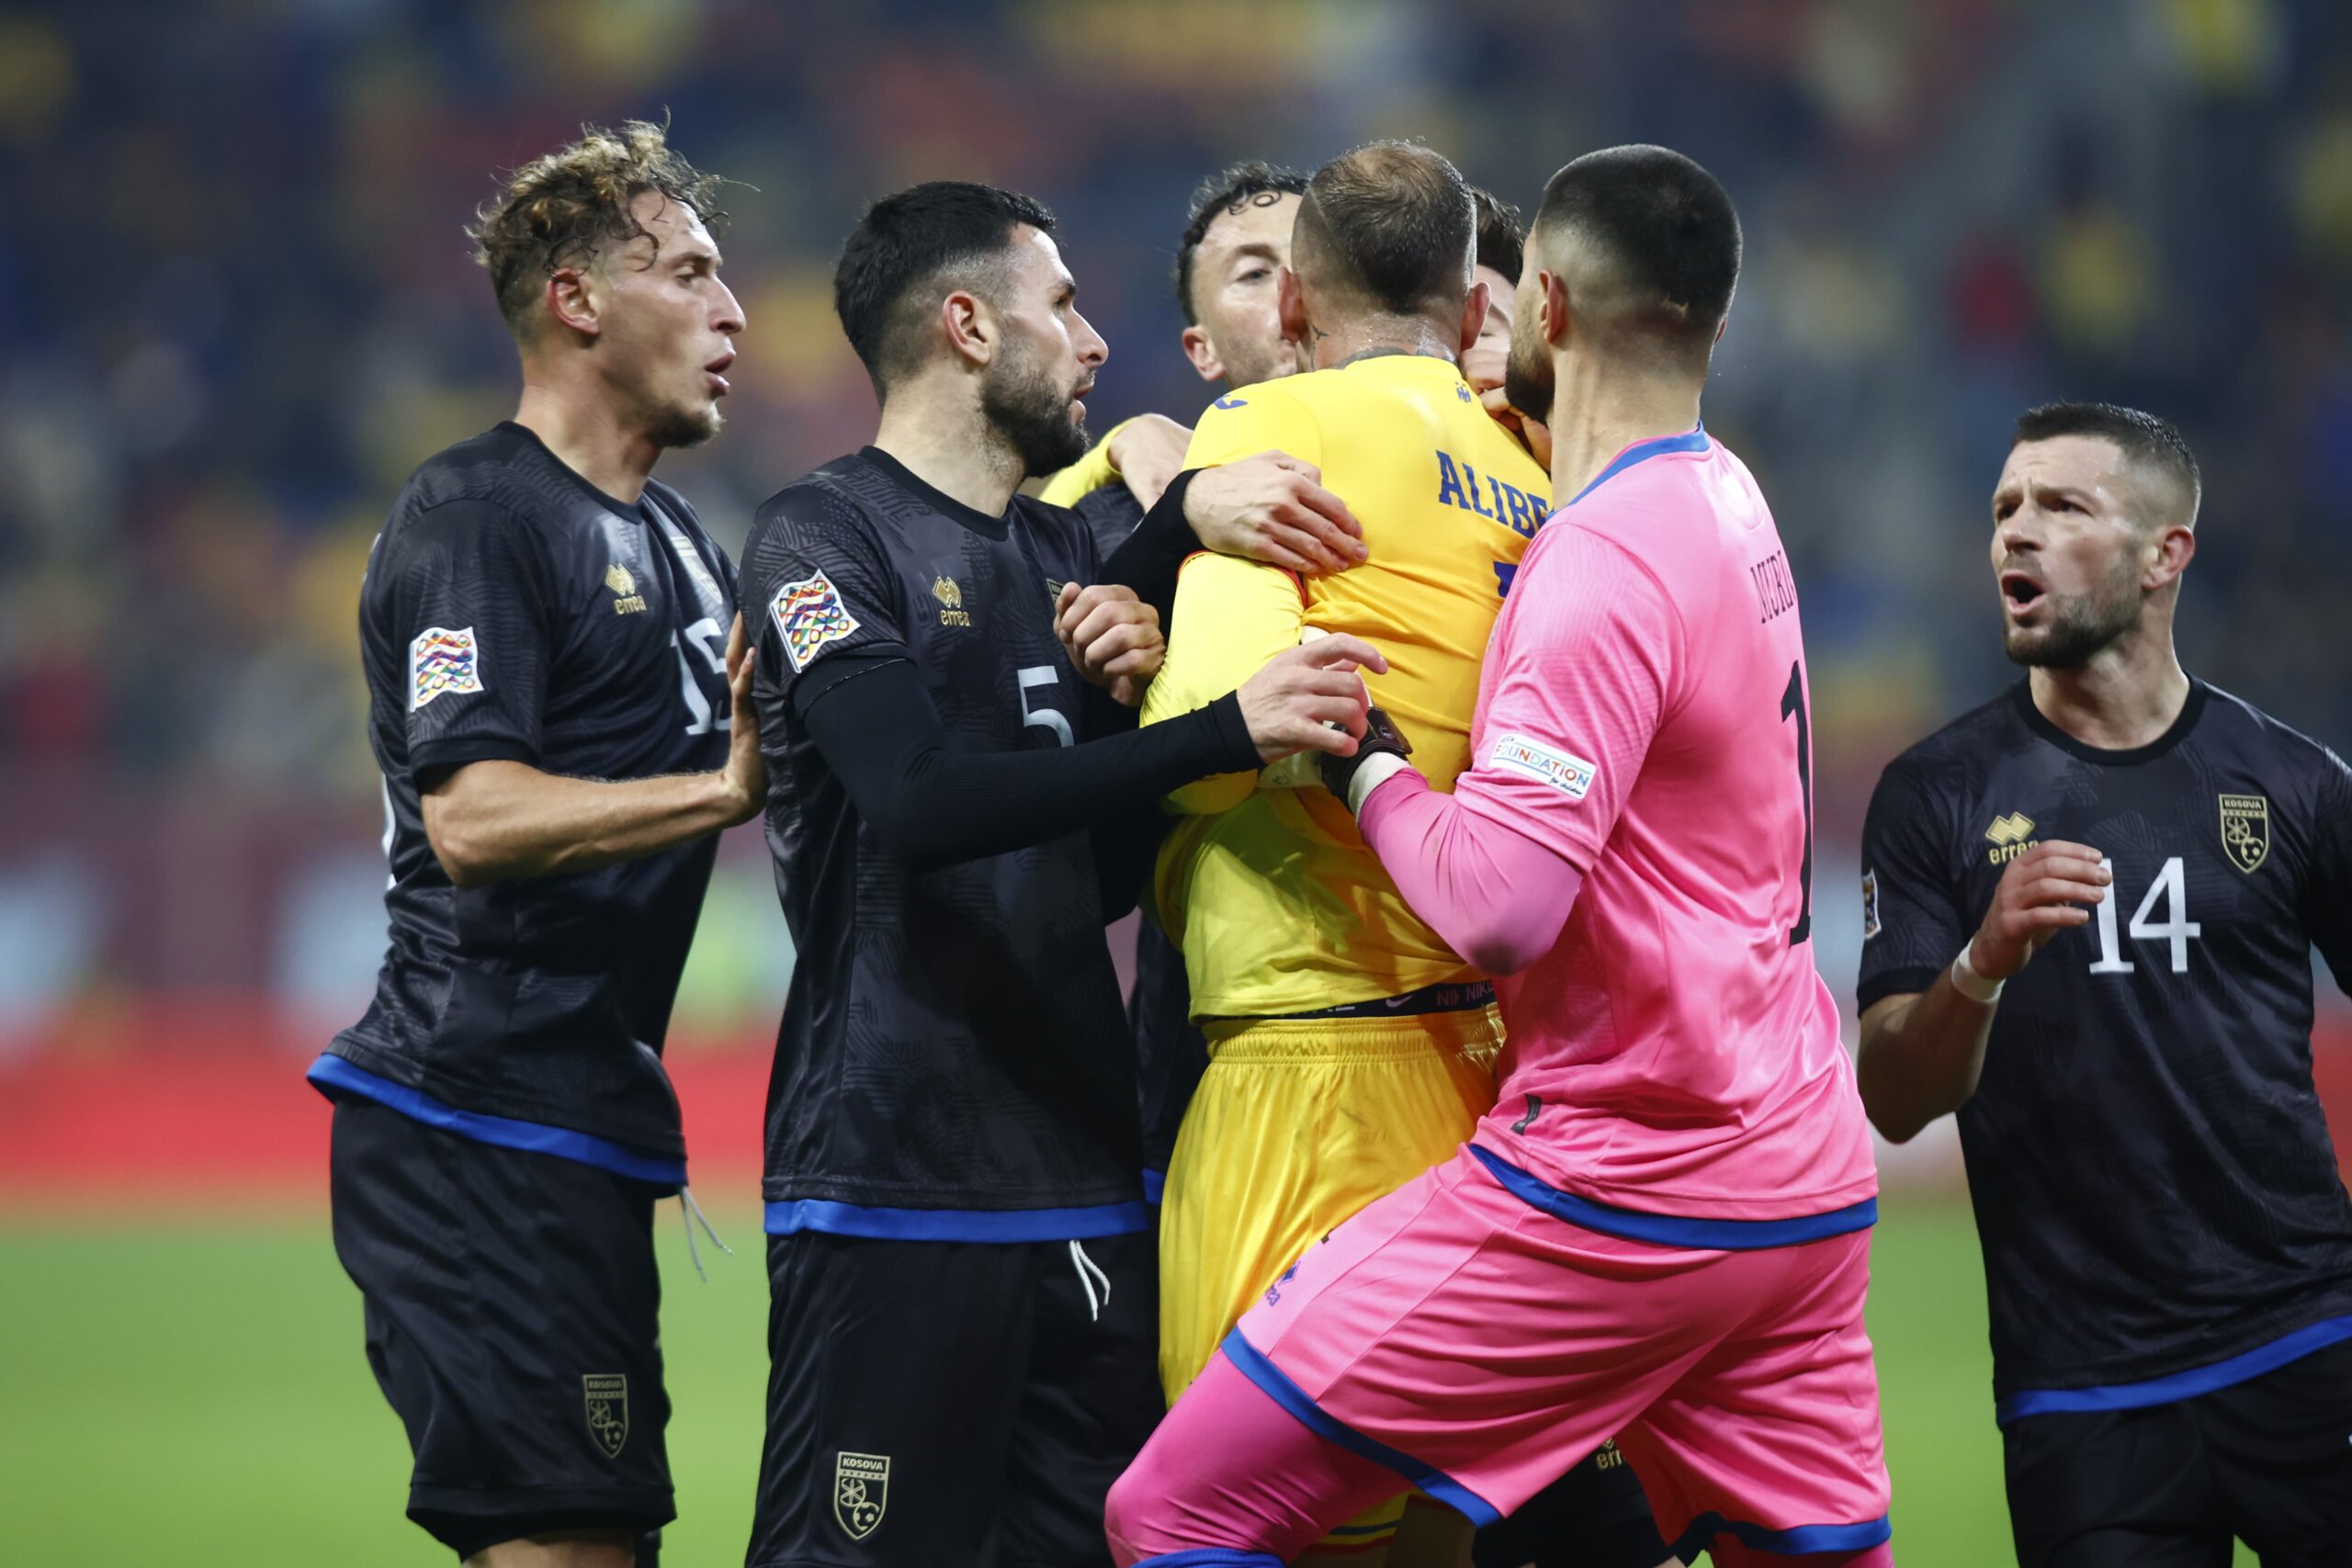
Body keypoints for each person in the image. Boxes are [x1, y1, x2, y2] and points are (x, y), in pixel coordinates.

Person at [1104, 144, 1894, 1568]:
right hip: (1803, 1170)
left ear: (1544, 305)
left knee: (1175, 1510)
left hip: (1624, 1182)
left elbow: (1505, 905)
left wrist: (1364, 754)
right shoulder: (1731, 501)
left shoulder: (1594, 561)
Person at [735, 179, 1389, 1568]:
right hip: (896, 1178)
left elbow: (1074, 872)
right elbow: (916, 802)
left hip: (1086, 1181)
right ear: (968, 325)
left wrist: (1169, 560)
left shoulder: (1064, 554)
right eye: (1065, 304)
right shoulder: (822, 535)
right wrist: (1221, 724)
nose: (1097, 342)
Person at [1136, 139, 1662, 1568]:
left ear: (1296, 300)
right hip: (1500, 1083)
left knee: (1222, 1522)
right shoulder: (1543, 464)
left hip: (1312, 1064)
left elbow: (1203, 749)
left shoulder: (1271, 424)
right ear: (1469, 296)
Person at [311, 120, 756, 1567]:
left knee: (601, 1540)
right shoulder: (479, 512)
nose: (733, 309)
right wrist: (723, 791)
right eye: (687, 272)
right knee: (565, 1545)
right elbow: (474, 816)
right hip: (469, 1109)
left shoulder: (684, 540)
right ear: (576, 302)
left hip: (580, 1117)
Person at [1856, 401, 2352, 1566]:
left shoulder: (2289, 784)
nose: (2013, 535)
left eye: (2061, 507)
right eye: (2002, 511)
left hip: (2306, 1343)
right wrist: (1981, 963)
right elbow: (1889, 1094)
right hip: (2081, 1395)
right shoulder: (1935, 797)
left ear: (2162, 554)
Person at [1035, 160, 1340, 1225]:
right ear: (1199, 352)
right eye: (1254, 272)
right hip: (1213, 1044)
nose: (1295, 291)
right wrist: (1143, 463)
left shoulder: (1450, 473)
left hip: (1443, 1025)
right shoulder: (1127, 505)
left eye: (1314, 262)